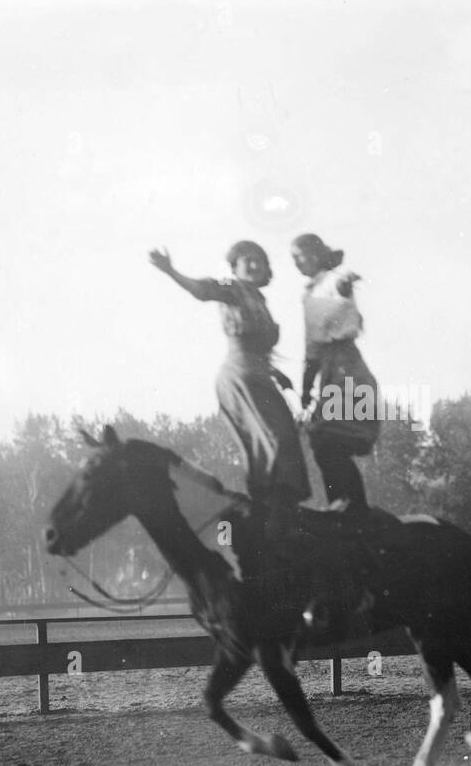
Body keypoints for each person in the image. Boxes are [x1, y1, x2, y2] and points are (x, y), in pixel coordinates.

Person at [149, 240, 311, 571]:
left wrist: (278, 374)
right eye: (245, 260)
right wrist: (170, 270)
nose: (252, 265)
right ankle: (274, 524)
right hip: (241, 376)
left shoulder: (259, 300)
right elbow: (201, 290)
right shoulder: (232, 290)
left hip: (259, 375)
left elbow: (260, 347)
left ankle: (278, 517)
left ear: (267, 270)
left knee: (282, 442)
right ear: (235, 267)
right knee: (275, 443)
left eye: (259, 261)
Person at [291, 233, 380, 514]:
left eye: (299, 257)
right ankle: (345, 502)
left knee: (329, 440)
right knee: (326, 443)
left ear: (315, 254)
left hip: (346, 370)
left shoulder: (329, 281)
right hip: (336, 370)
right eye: (293, 260)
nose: (296, 263)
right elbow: (312, 348)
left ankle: (349, 504)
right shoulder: (309, 294)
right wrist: (306, 389)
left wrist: (345, 284)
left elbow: (340, 288)